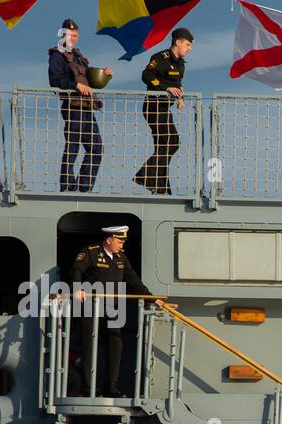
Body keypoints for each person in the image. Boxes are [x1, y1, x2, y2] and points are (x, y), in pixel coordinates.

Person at [67, 226, 163, 398]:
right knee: (89, 346)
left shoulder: (121, 258)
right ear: (109, 240)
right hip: (91, 306)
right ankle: (89, 388)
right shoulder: (91, 252)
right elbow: (76, 270)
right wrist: (77, 288)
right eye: (119, 241)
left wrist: (152, 298)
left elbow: (133, 279)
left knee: (115, 344)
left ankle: (111, 388)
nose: (122, 245)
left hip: (112, 307)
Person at [48, 19, 109, 192]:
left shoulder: (78, 56)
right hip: (72, 106)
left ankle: (83, 188)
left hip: (86, 107)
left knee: (96, 148)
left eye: (76, 35)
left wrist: (104, 74)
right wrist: (75, 86)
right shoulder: (57, 55)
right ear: (63, 34)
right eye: (70, 34)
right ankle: (67, 187)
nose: (73, 38)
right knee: (73, 147)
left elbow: (88, 79)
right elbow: (55, 80)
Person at [135, 28, 193, 195]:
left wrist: (180, 99)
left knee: (164, 146)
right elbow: (146, 75)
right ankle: (145, 176)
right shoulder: (161, 58)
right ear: (178, 42)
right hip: (153, 106)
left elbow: (177, 84)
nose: (190, 48)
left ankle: (161, 188)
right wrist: (164, 88)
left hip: (164, 107)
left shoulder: (180, 64)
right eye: (188, 44)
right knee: (172, 142)